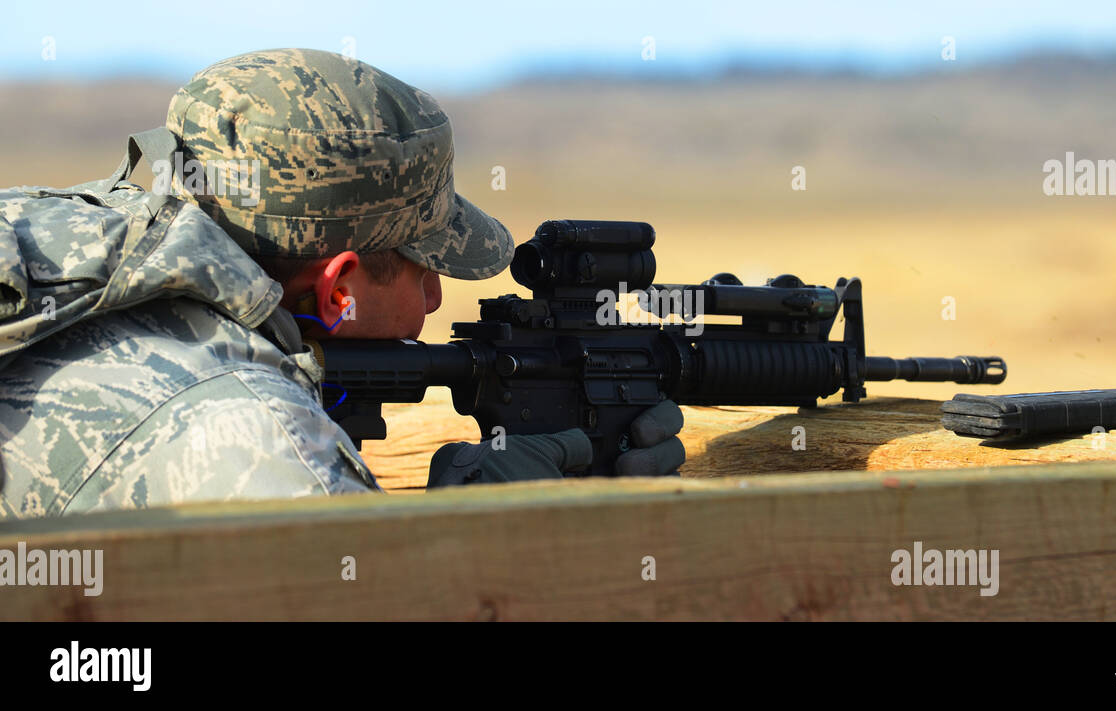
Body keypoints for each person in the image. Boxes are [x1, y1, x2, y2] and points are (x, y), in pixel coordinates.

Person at [0, 48, 682, 519]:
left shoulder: (55, 248)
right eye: (424, 268)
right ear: (338, 290)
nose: (438, 299)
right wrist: (473, 534)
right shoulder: (264, 446)